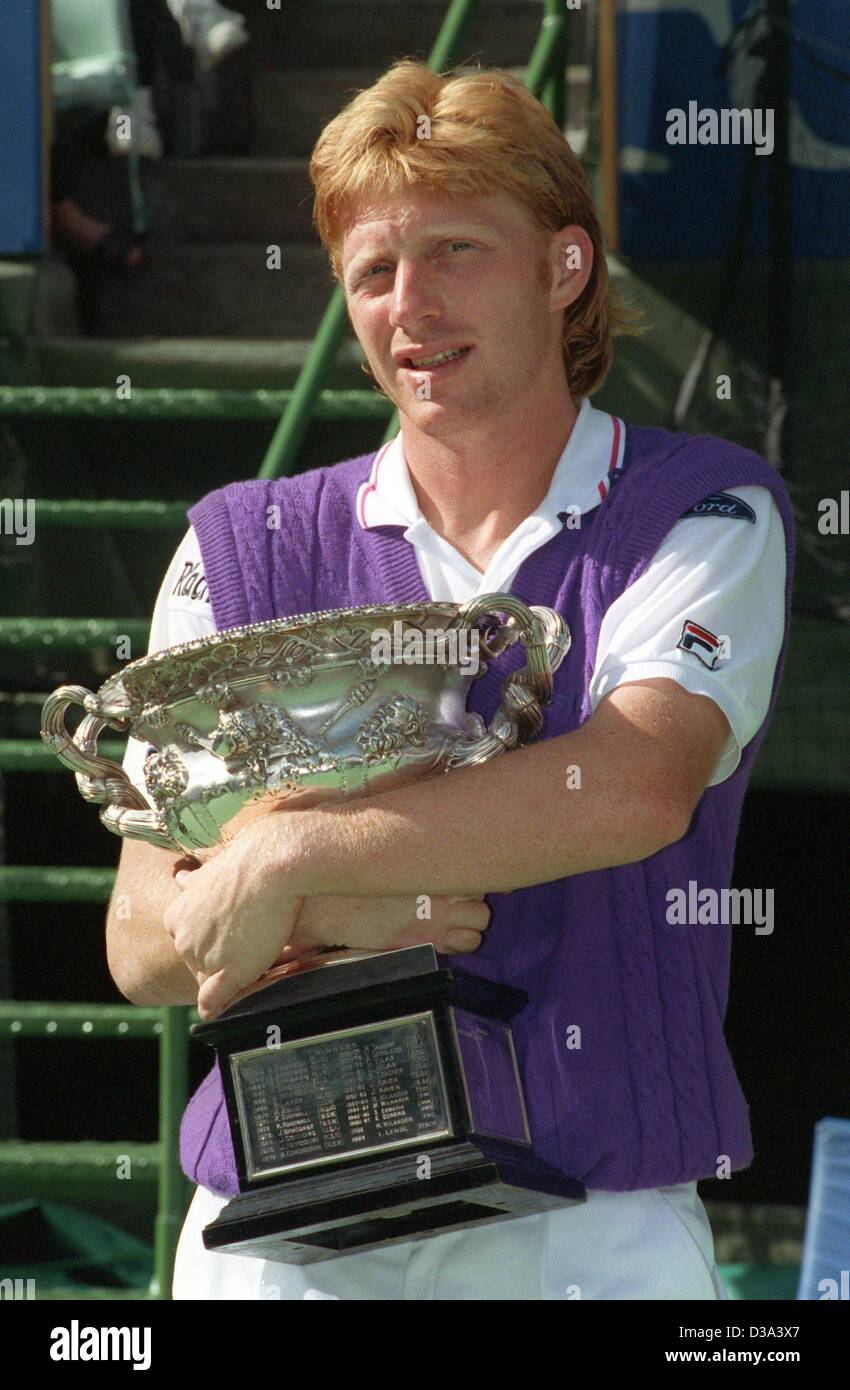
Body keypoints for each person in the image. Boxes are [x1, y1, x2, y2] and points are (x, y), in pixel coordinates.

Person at [107, 61, 794, 1300]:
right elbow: (147, 938)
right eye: (373, 272)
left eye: (457, 251)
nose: (409, 303)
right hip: (278, 1236)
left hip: (595, 1229)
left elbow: (632, 789)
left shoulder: (702, 509)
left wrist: (283, 864)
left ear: (564, 266)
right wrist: (345, 916)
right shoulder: (235, 545)